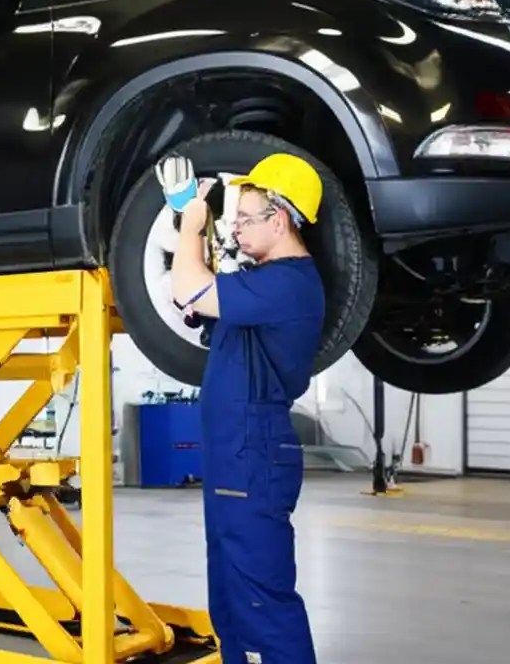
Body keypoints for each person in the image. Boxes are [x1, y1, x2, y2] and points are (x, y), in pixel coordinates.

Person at [169, 152, 325, 664]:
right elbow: (199, 304)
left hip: (253, 453)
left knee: (262, 598)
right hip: (237, 454)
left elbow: (189, 287)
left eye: (243, 218)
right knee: (233, 598)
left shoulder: (288, 282)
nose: (234, 229)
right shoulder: (262, 282)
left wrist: (191, 220)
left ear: (278, 219)